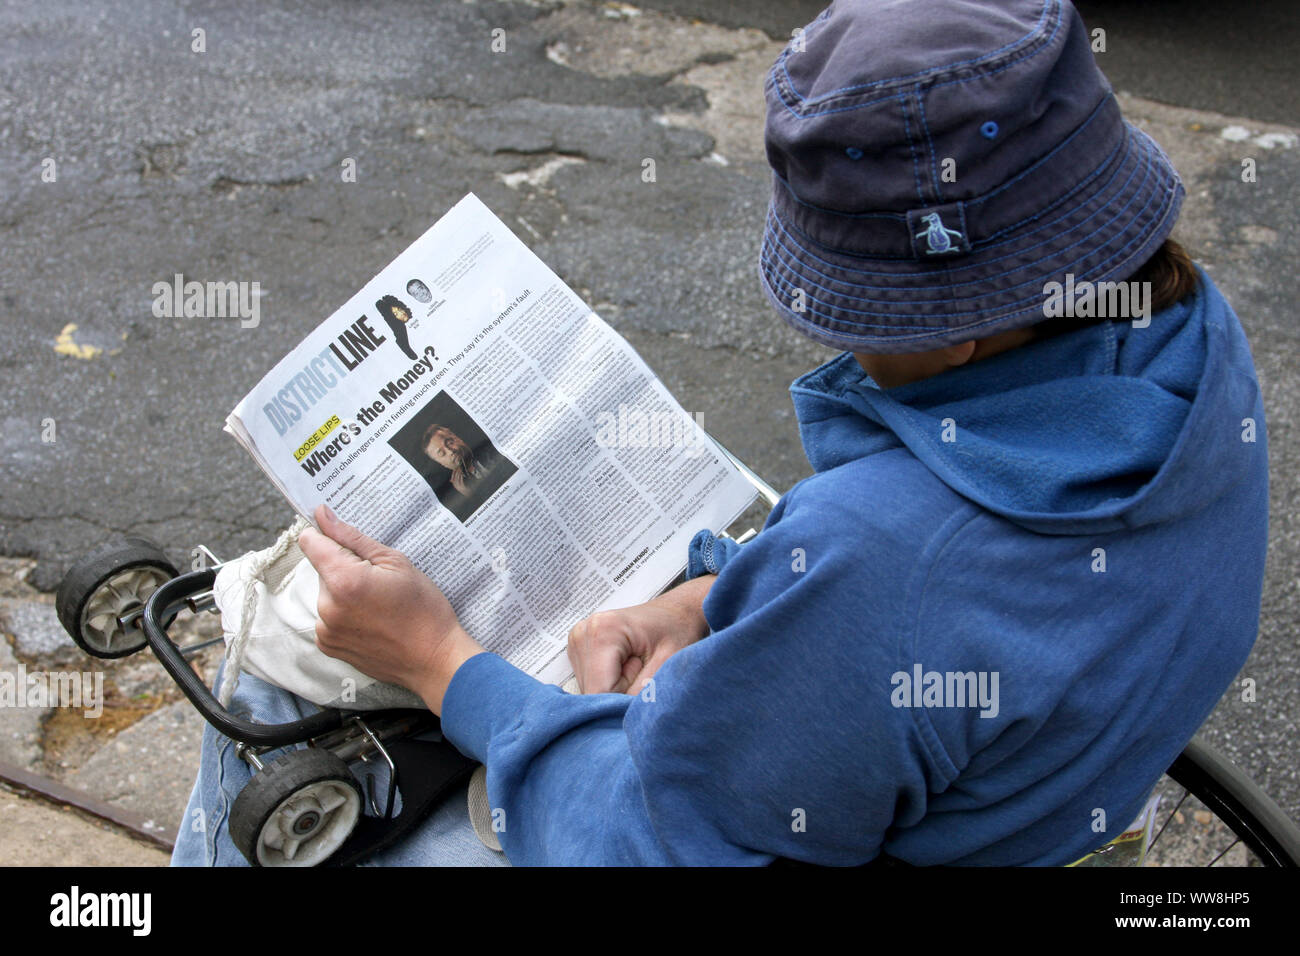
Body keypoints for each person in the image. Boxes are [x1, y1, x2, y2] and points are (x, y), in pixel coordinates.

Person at [173, 0, 1268, 866]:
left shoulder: (883, 558)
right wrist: (716, 598)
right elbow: (946, 610)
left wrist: (441, 662)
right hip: (1048, 787)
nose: (837, 342)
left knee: (280, 670)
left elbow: (641, 842)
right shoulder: (1185, 336)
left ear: (960, 338)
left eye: (854, 318)